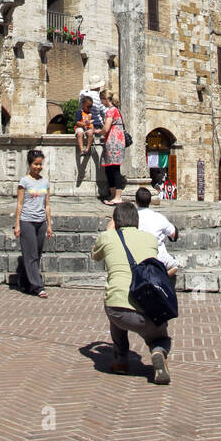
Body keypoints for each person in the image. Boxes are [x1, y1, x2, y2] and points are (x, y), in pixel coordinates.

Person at [90, 200, 171, 384]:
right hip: (148, 309)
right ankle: (158, 350)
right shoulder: (150, 239)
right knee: (162, 339)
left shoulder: (107, 237)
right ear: (137, 221)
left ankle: (120, 360)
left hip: (117, 310)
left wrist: (110, 228)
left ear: (116, 221)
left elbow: (94, 255)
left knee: (117, 306)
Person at [14, 148, 53, 297]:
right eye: (35, 164)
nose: (38, 167)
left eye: (40, 164)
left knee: (36, 253)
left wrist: (49, 224)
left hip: (41, 221)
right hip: (27, 221)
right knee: (31, 255)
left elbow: (47, 204)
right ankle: (38, 286)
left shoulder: (45, 182)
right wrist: (17, 224)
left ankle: (24, 282)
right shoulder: (24, 182)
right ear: (30, 164)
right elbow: (19, 204)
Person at [134, 185, 180, 278]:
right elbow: (173, 234)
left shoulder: (131, 216)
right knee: (175, 265)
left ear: (136, 201)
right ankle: (161, 278)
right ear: (150, 201)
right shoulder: (158, 217)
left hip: (136, 257)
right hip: (157, 257)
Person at [100, 93, 126, 205]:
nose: (101, 102)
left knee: (114, 169)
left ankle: (117, 196)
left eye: (102, 100)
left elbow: (106, 128)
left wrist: (99, 131)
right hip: (119, 141)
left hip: (113, 141)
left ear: (106, 99)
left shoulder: (110, 111)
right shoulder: (117, 110)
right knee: (110, 168)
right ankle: (113, 195)